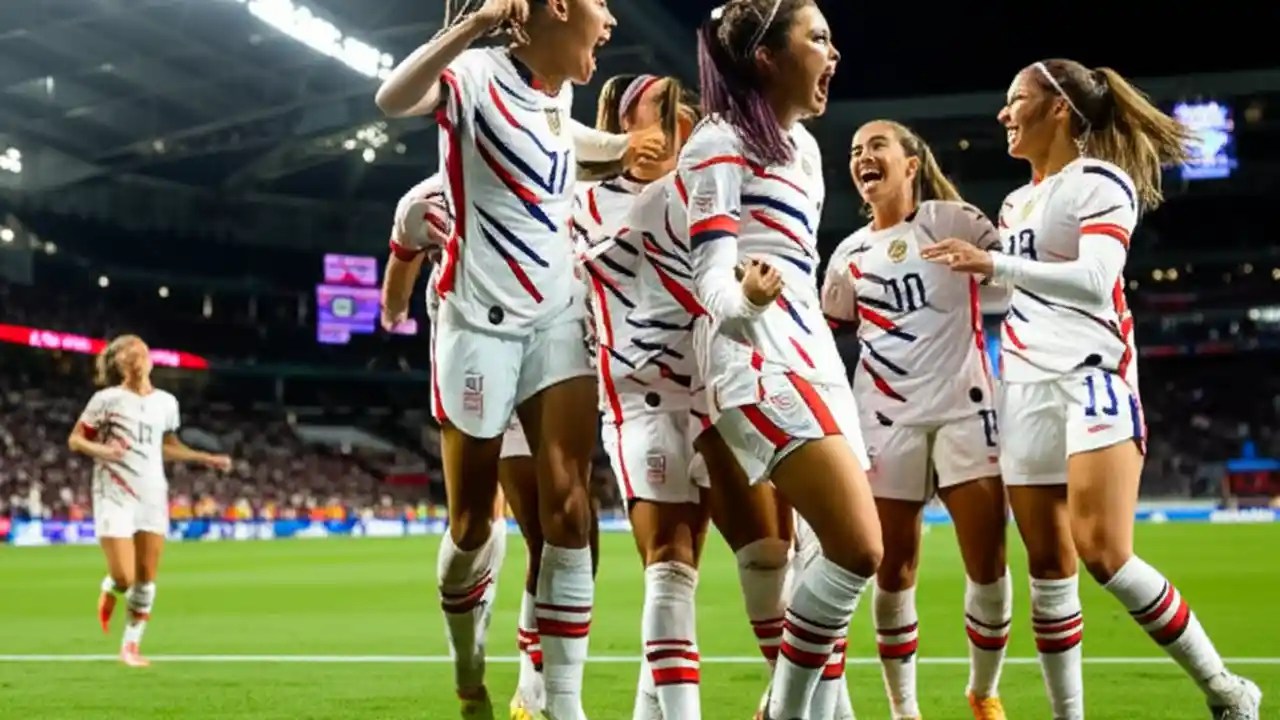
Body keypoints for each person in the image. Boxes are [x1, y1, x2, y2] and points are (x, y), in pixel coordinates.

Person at [922, 58, 1261, 720]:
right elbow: (1019, 286)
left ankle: (1225, 689)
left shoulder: (1101, 181)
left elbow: (1095, 279)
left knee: (1104, 553)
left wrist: (994, 263)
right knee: (1048, 571)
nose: (1003, 113)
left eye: (1016, 98)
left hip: (1091, 379)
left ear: (1058, 109)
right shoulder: (1015, 203)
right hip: (1024, 387)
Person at [375, 2, 666, 714]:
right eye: (600, 4)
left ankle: (557, 701)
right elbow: (392, 100)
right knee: (474, 525)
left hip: (556, 317)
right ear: (557, 8)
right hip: (479, 325)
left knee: (570, 508)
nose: (611, 21)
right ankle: (467, 657)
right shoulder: (475, 75)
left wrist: (628, 149)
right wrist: (472, 25)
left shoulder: (557, 97)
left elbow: (574, 144)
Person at [688, 2, 882, 719]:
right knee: (859, 547)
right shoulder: (717, 141)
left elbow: (797, 264)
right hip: (754, 357)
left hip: (814, 356)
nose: (834, 53)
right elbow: (709, 271)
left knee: (826, 558)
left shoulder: (803, 149)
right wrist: (744, 301)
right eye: (818, 38)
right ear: (767, 57)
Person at [822, 119, 1012, 720]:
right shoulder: (848, 255)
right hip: (885, 419)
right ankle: (905, 711)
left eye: (877, 145)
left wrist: (988, 267)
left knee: (988, 563)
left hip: (964, 408)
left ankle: (983, 692)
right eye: (856, 150)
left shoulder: (957, 221)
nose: (863, 155)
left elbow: (1011, 280)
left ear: (911, 163)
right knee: (893, 568)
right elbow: (829, 332)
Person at [67, 335, 232, 667]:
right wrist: (104, 451)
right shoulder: (106, 400)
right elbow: (75, 440)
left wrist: (205, 458)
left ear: (151, 360)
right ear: (119, 364)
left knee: (145, 579)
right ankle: (111, 585)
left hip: (152, 494)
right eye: (128, 354)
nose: (137, 356)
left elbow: (166, 446)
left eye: (141, 351)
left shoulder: (166, 403)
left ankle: (131, 646)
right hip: (113, 493)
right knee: (124, 576)